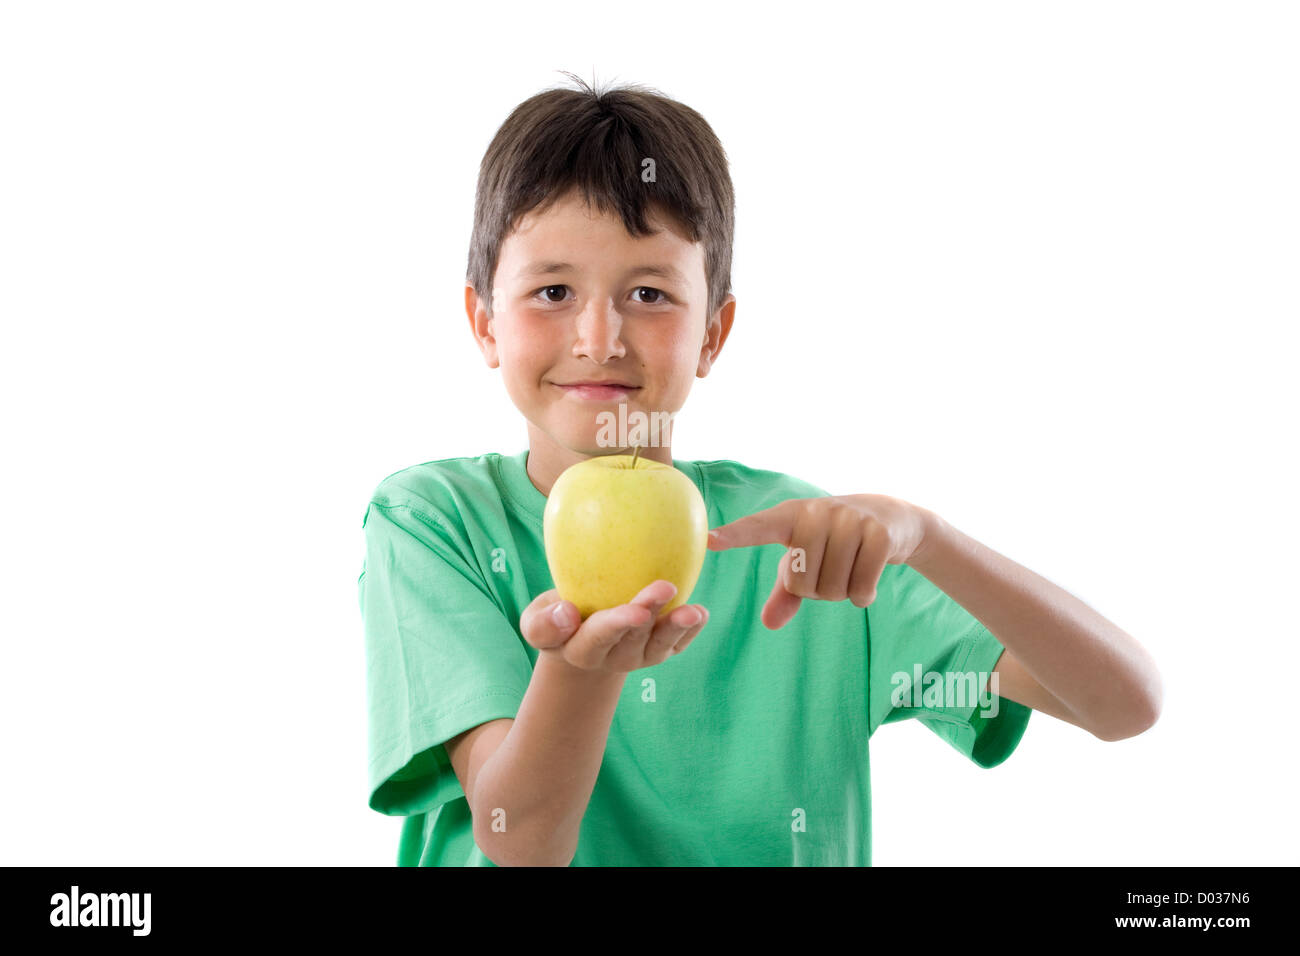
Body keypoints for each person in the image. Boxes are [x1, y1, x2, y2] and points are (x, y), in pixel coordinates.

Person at [357, 72, 1163, 867]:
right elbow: (520, 836)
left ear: (714, 332)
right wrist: (579, 668)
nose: (599, 338)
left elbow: (1125, 704)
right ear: (483, 321)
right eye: (553, 290)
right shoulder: (433, 520)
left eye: (647, 292)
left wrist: (927, 537)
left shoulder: (804, 544)